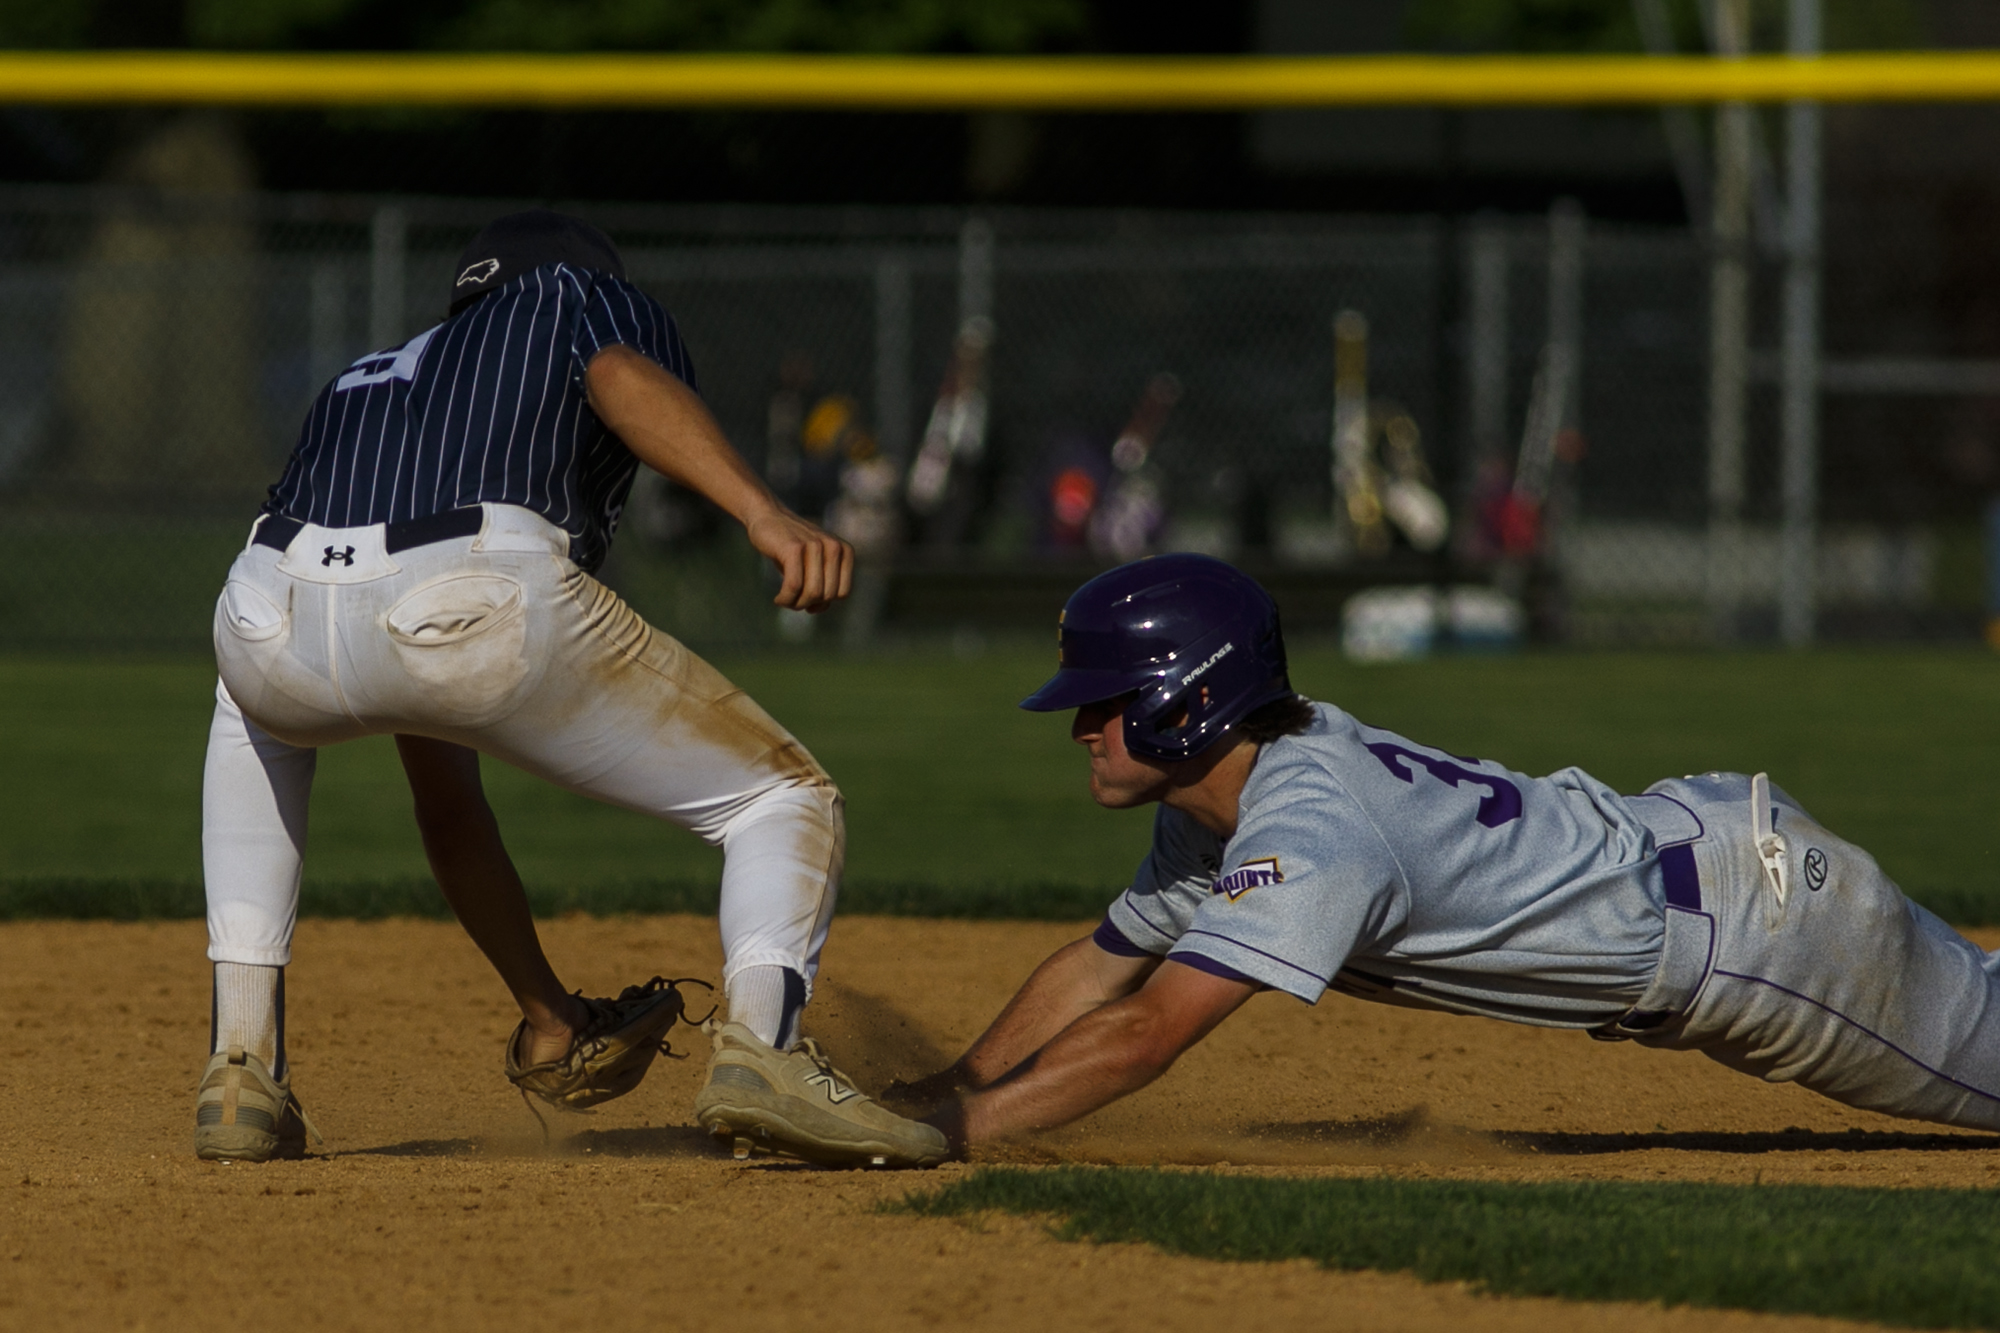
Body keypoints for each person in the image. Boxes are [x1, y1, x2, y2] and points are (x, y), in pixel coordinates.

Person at [195, 209, 918, 1164]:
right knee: (783, 796)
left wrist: (548, 1009)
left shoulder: (365, 379)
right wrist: (765, 512)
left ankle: (241, 1072)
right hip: (477, 585)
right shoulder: (572, 296)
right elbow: (615, 373)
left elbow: (445, 803)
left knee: (253, 712)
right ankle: (762, 1052)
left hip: (266, 606)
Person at [884, 552, 2000, 1154]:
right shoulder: (1220, 802)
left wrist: (947, 1133)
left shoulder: (1310, 832)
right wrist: (935, 1088)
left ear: (1189, 704)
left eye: (1106, 703)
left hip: (1768, 939)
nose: (1081, 728)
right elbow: (1097, 967)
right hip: (1704, 864)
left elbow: (1142, 1034)